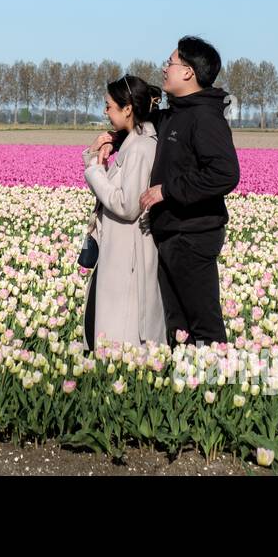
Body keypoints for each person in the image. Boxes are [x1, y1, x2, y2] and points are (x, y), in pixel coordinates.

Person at [139, 37, 240, 348]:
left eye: (170, 63)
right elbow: (143, 125)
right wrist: (111, 140)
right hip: (172, 232)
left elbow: (225, 173)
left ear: (188, 72)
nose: (164, 68)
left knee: (203, 326)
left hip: (192, 235)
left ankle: (216, 376)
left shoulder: (205, 117)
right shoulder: (176, 113)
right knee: (178, 327)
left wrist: (168, 191)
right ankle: (186, 377)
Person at [80, 73, 167, 351]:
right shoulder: (133, 142)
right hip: (119, 248)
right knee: (111, 325)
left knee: (123, 329)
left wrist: (95, 171)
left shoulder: (140, 148)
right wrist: (93, 155)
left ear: (128, 108)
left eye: (109, 106)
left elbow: (128, 205)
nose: (105, 112)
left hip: (128, 252)